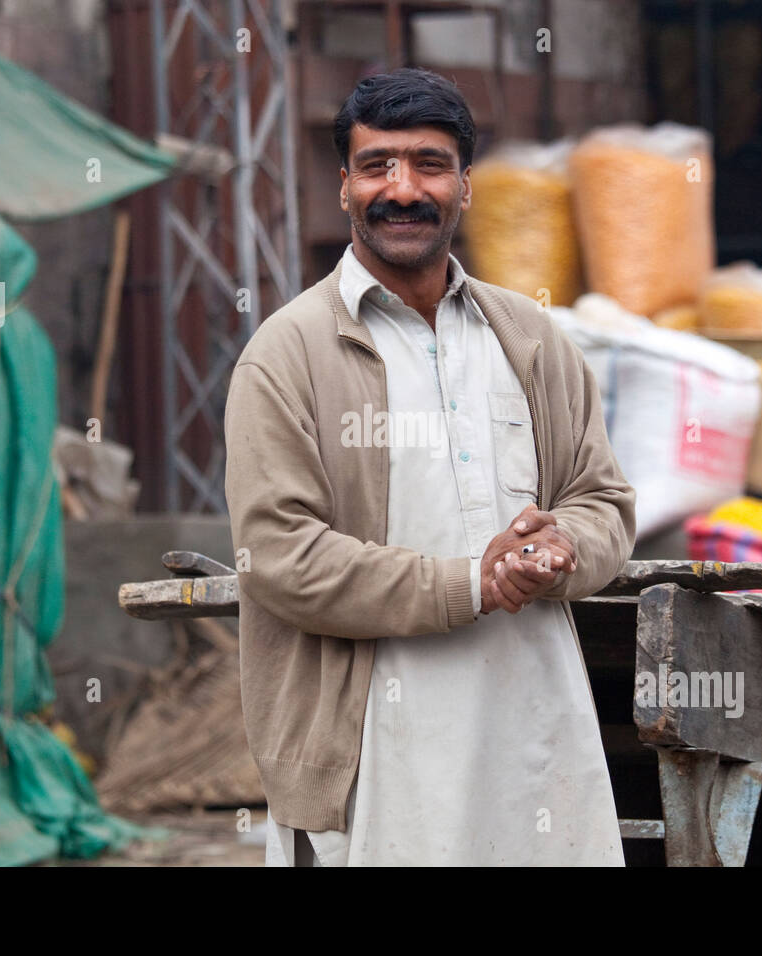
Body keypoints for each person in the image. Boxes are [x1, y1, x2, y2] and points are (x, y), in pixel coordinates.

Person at [223, 67, 636, 866]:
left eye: (429, 164)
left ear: (466, 186)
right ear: (343, 186)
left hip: (533, 732)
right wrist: (468, 584)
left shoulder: (530, 338)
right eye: (377, 165)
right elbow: (278, 556)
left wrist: (559, 551)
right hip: (374, 744)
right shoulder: (288, 353)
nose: (402, 188)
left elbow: (604, 502)